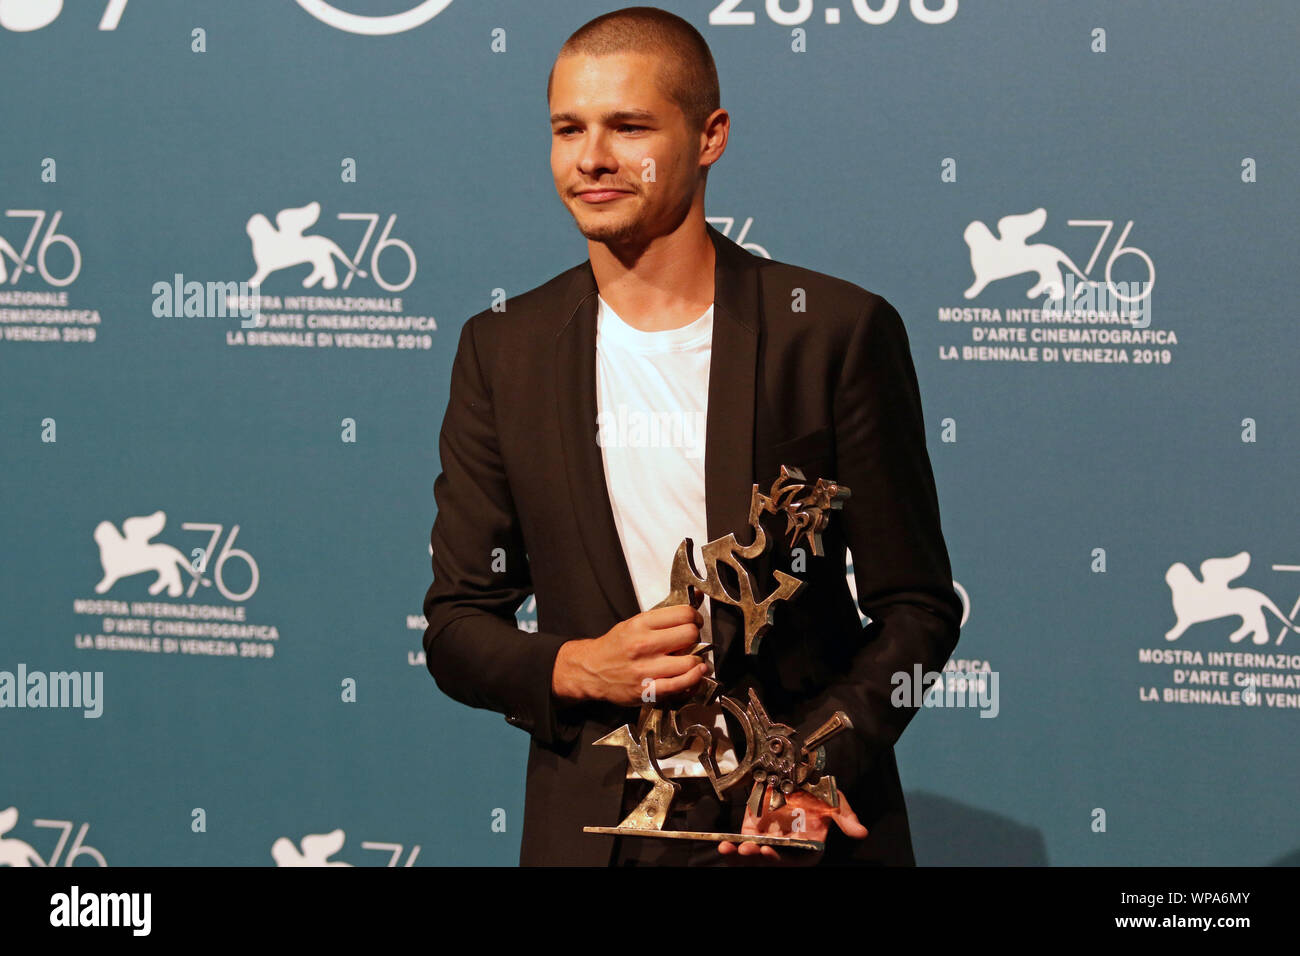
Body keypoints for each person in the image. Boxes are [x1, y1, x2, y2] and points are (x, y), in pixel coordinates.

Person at [423, 6, 962, 866]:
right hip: (599, 837)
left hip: (787, 835)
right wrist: (577, 667)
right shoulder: (502, 349)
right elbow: (455, 626)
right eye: (568, 128)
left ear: (709, 137)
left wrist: (812, 767)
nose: (591, 156)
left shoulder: (830, 332)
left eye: (627, 125)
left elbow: (918, 609)